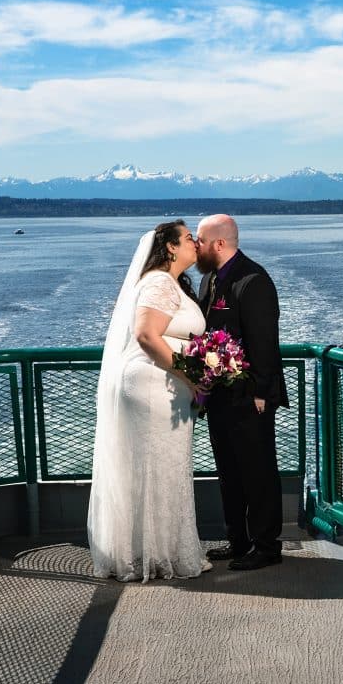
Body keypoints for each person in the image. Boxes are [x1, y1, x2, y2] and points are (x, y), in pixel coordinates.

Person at [87, 221, 210, 582]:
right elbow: (145, 334)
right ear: (170, 247)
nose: (196, 242)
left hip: (162, 387)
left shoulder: (170, 284)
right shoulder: (158, 282)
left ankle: (153, 551)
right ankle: (152, 556)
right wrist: (191, 376)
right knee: (156, 466)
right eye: (189, 238)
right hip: (152, 387)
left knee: (160, 466)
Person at [195, 214, 287, 571]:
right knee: (229, 472)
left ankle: (266, 546)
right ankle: (238, 542)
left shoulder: (254, 281)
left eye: (201, 240)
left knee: (258, 473)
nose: (196, 247)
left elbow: (264, 342)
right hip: (219, 396)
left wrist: (261, 393)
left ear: (219, 243)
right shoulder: (209, 281)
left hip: (252, 398)